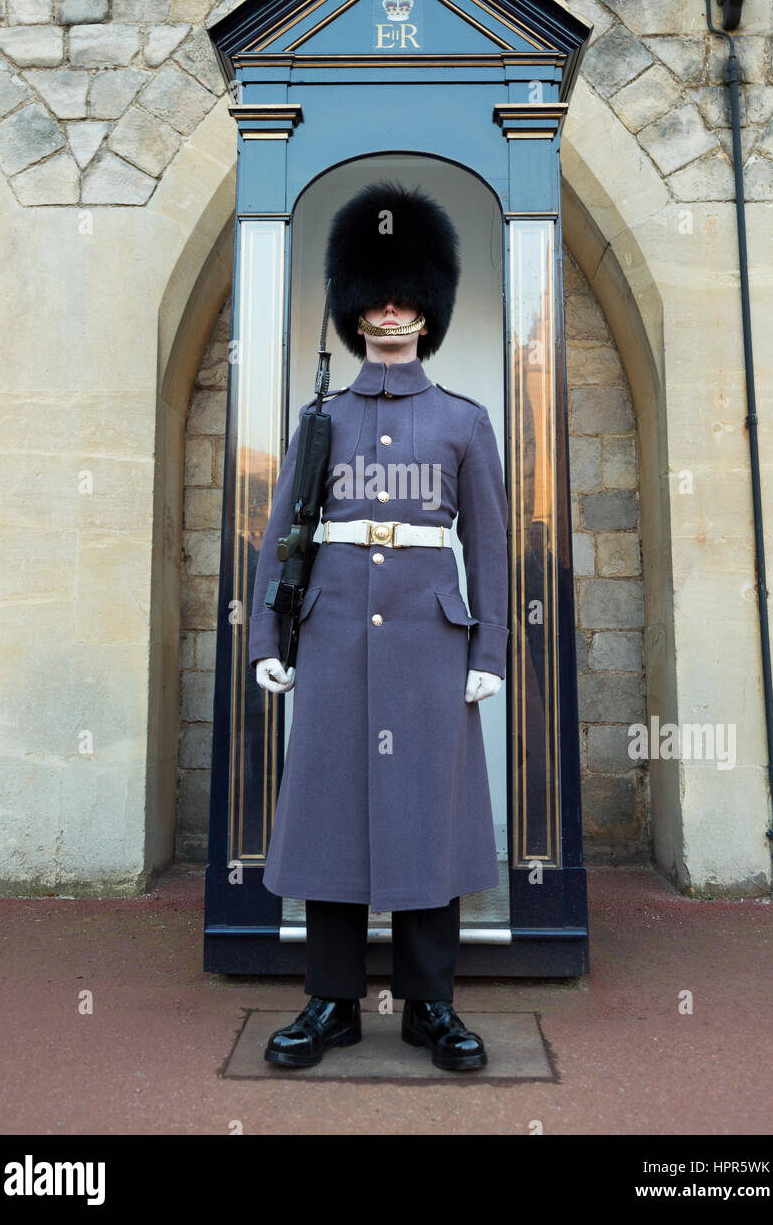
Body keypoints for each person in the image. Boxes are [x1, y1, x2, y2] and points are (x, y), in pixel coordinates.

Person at [248, 180, 510, 1072]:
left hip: (430, 645)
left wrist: (491, 651)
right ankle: (332, 1002)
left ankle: (431, 1006)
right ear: (355, 308)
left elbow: (493, 548)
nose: (391, 307)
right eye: (376, 294)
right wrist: (265, 643)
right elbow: (285, 532)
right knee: (328, 814)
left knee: (426, 818)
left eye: (406, 295)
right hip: (331, 639)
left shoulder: (463, 423)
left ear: (428, 311)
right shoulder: (320, 419)